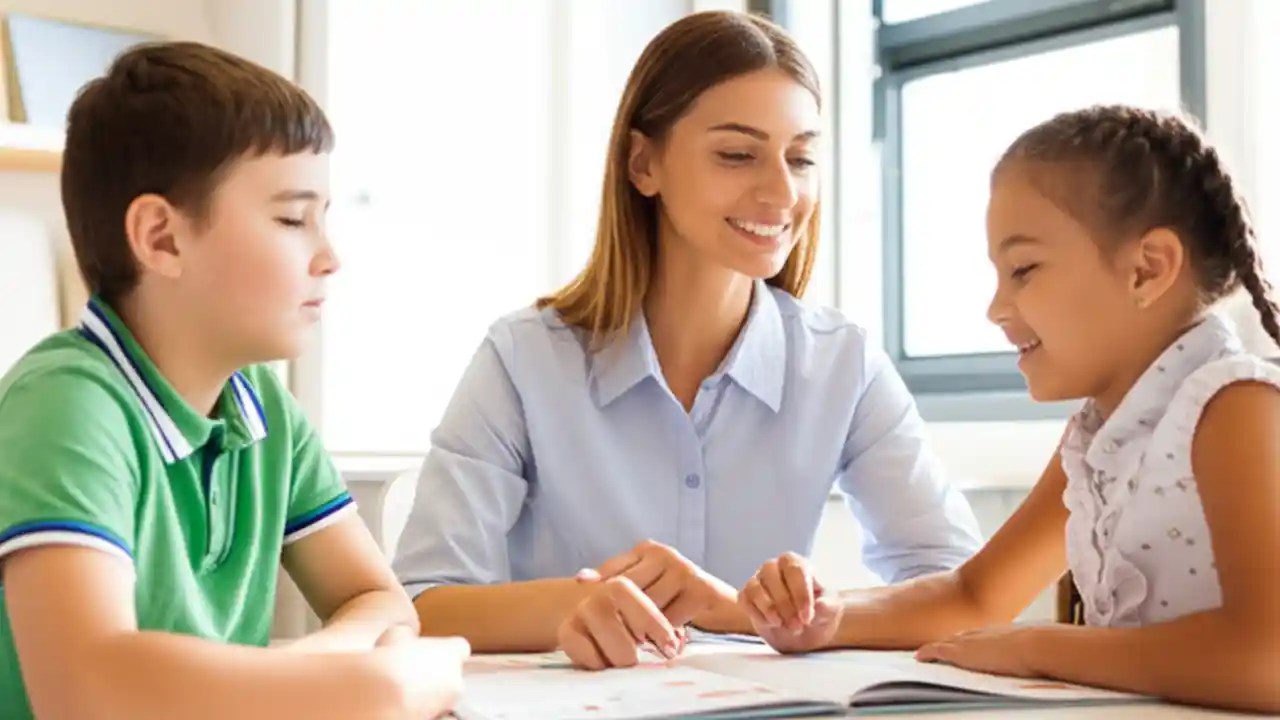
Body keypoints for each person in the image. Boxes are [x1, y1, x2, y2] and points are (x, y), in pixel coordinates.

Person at [393, 10, 981, 670]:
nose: (782, 192)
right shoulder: (523, 359)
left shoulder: (843, 363)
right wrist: (571, 607)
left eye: (801, 158)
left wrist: (817, 612)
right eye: (737, 154)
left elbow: (960, 589)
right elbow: (420, 604)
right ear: (644, 163)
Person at [739, 105, 1280, 713]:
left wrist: (1040, 648)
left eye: (1023, 270)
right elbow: (974, 595)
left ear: (1146, 270)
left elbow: (1267, 659)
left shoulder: (1235, 407)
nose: (997, 308)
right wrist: (830, 618)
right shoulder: (1100, 435)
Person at [0, 42, 468, 719]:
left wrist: (306, 669)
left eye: (324, 218)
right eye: (291, 219)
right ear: (161, 238)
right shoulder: (66, 405)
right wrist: (367, 687)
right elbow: (83, 689)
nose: (329, 257)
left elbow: (380, 601)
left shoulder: (264, 407)